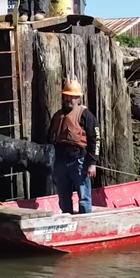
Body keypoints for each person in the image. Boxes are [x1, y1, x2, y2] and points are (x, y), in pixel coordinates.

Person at [48, 79, 100, 214]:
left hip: (79, 162)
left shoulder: (86, 115)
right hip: (60, 162)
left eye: (72, 96)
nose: (69, 99)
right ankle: (67, 222)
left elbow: (96, 138)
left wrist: (92, 163)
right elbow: (49, 140)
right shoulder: (57, 116)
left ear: (78, 98)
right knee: (64, 198)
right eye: (66, 96)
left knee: (84, 197)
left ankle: (85, 224)